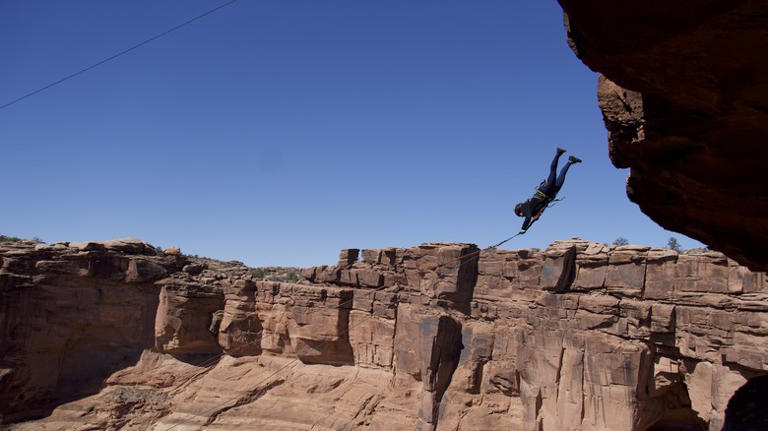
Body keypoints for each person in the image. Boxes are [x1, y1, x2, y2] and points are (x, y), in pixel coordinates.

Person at [514, 147, 581, 233]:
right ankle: (570, 161)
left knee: (553, 172)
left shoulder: (525, 208)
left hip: (544, 191)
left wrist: (523, 228)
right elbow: (541, 208)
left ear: (520, 210)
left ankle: (558, 154)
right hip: (550, 194)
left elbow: (528, 217)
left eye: (520, 214)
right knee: (562, 176)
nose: (521, 215)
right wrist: (538, 215)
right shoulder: (531, 210)